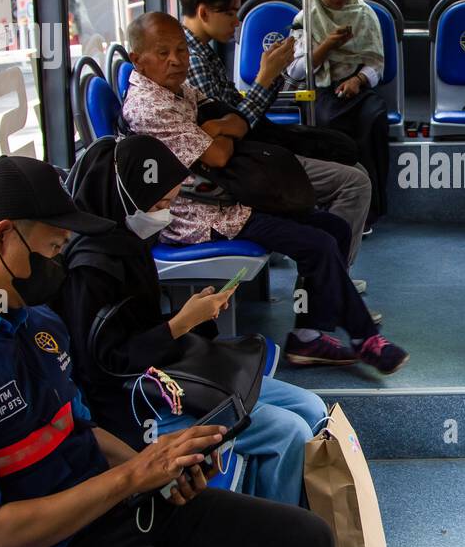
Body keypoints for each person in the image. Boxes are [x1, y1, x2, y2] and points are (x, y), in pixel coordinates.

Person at [0, 155, 336, 547]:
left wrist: (159, 474)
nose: (59, 267)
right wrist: (131, 476)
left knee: (309, 546)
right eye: (53, 250)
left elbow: (80, 429)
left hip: (114, 511)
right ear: (3, 238)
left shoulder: (34, 322)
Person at [121, 11, 409, 375]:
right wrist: (221, 132)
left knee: (334, 229)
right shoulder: (150, 106)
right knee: (317, 243)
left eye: (181, 49)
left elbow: (232, 122)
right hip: (197, 216)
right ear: (138, 59)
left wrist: (219, 129)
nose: (176, 60)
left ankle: (307, 335)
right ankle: (364, 338)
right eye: (163, 53)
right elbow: (220, 153)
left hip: (225, 195)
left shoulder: (177, 90)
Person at [53, 134, 329, 508]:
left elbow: (139, 327)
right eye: (160, 205)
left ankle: (289, 508)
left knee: (311, 407)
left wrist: (193, 316)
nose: (164, 215)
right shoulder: (91, 268)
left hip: (167, 373)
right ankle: (279, 530)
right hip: (136, 402)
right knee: (287, 431)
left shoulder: (128, 243)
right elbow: (105, 366)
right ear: (128, 197)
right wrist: (180, 324)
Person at [181, 0, 372, 270]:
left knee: (350, 162)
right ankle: (330, 278)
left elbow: (237, 114)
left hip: (247, 151)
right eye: (229, 13)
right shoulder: (191, 62)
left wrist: (272, 75)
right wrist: (264, 78)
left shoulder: (204, 53)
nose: (237, 21)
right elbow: (233, 126)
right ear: (204, 12)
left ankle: (328, 273)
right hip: (234, 167)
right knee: (355, 183)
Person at [288, 0, 390, 227]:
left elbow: (376, 64)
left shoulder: (364, 15)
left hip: (358, 88)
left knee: (374, 118)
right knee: (329, 123)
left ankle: (372, 207)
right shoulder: (306, 20)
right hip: (322, 89)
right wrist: (326, 46)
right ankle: (334, 203)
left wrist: (358, 79)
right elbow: (297, 71)